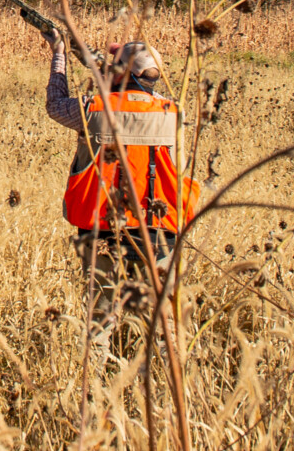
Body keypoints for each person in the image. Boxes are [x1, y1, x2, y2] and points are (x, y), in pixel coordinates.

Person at [43, 31, 198, 318]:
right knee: (158, 324)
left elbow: (55, 104)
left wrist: (59, 54)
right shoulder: (174, 113)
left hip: (103, 232)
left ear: (122, 72)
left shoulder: (94, 108)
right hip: (160, 233)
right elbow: (146, 98)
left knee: (101, 321)